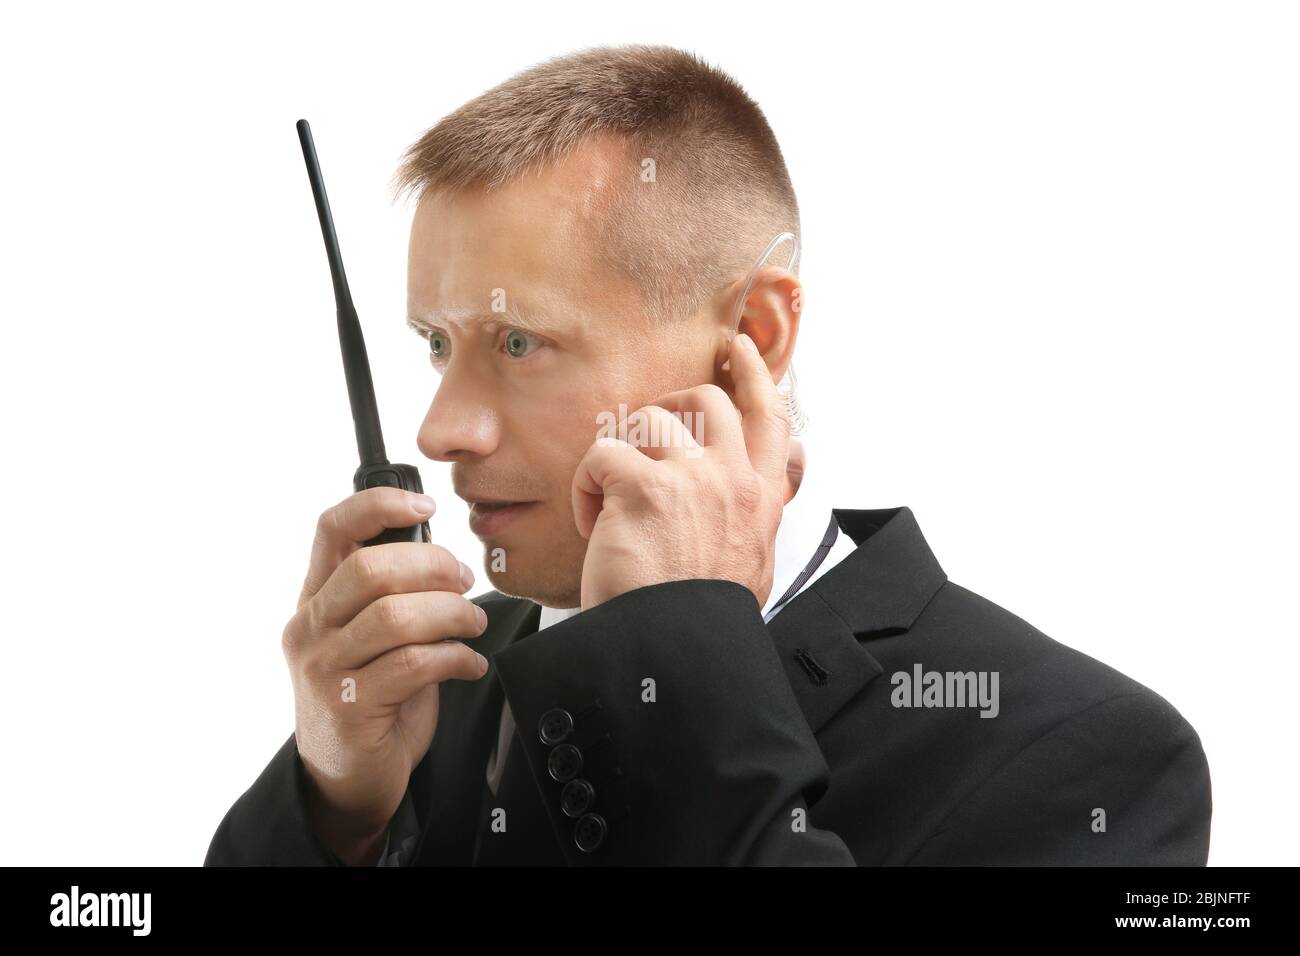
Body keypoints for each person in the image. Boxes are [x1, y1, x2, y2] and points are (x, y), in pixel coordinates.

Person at [205, 44, 1211, 866]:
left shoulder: (1084, 754)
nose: (440, 430)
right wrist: (334, 807)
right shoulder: (436, 689)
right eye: (435, 342)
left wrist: (676, 663)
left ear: (756, 338)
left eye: (519, 342)